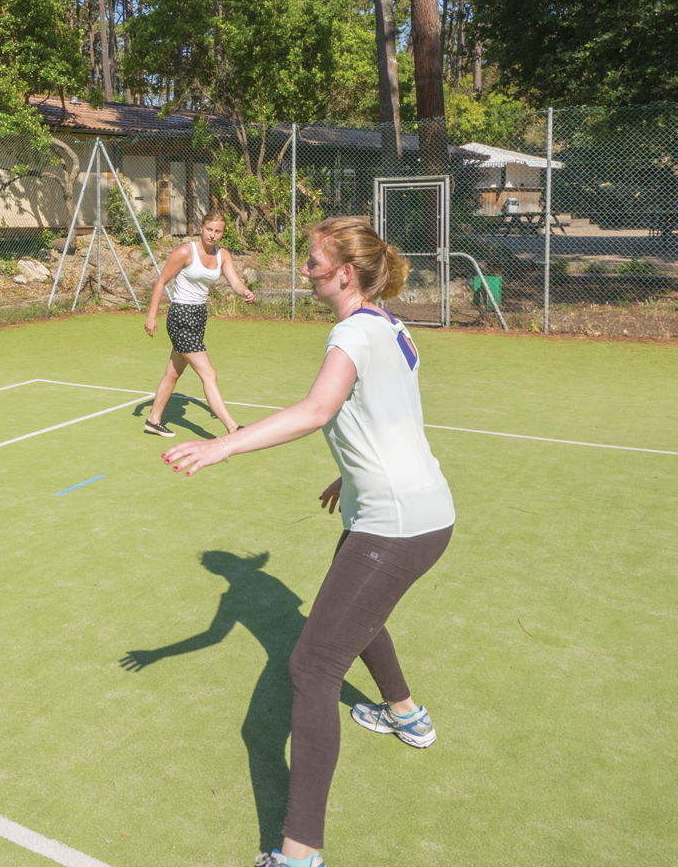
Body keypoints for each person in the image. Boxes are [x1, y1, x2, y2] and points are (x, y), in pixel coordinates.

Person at [162, 217, 455, 867]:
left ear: (345, 273)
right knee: (357, 611)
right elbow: (389, 414)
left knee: (312, 668)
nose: (305, 270)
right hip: (415, 509)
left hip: (396, 522)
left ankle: (298, 855)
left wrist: (223, 446)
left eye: (314, 262)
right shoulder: (390, 325)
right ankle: (406, 713)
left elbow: (318, 409)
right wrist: (349, 472)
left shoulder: (352, 332)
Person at [141, 210, 256, 437]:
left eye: (218, 231)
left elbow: (235, 283)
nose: (212, 235)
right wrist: (151, 316)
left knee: (173, 373)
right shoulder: (186, 252)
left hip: (199, 316)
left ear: (222, 233)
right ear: (201, 228)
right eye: (209, 229)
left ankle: (153, 420)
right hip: (181, 316)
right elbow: (161, 281)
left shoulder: (223, 255)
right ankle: (233, 428)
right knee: (209, 374)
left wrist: (245, 292)